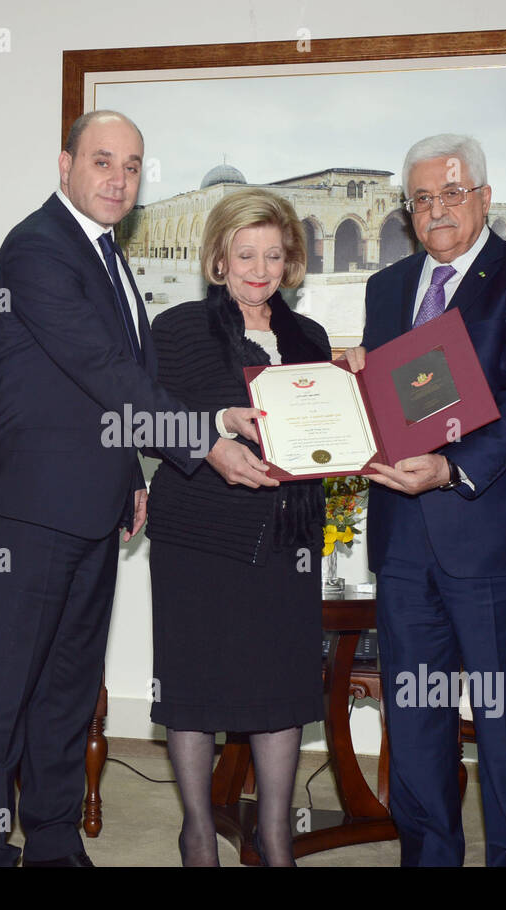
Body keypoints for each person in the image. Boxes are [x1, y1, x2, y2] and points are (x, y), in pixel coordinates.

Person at [0, 110, 272, 866]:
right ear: (65, 163)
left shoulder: (106, 254)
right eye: (103, 161)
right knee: (6, 687)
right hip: (33, 507)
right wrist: (204, 443)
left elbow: (108, 390)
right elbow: (105, 370)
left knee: (68, 684)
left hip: (94, 504)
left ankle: (57, 841)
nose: (119, 179)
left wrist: (132, 472)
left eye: (132, 166)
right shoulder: (37, 248)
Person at [346, 133, 506, 866]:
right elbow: (388, 404)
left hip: (496, 535)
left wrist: (451, 470)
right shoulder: (386, 288)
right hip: (405, 547)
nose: (436, 209)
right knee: (415, 723)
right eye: (421, 199)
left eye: (450, 193)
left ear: (482, 196)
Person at [145, 189, 327, 867]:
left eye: (274, 254)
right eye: (246, 253)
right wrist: (220, 423)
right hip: (199, 538)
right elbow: (150, 423)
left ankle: (275, 835)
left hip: (287, 541)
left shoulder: (308, 340)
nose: (260, 267)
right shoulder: (179, 330)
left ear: (291, 261)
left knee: (281, 689)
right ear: (219, 258)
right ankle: (198, 832)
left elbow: (320, 437)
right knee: (194, 691)